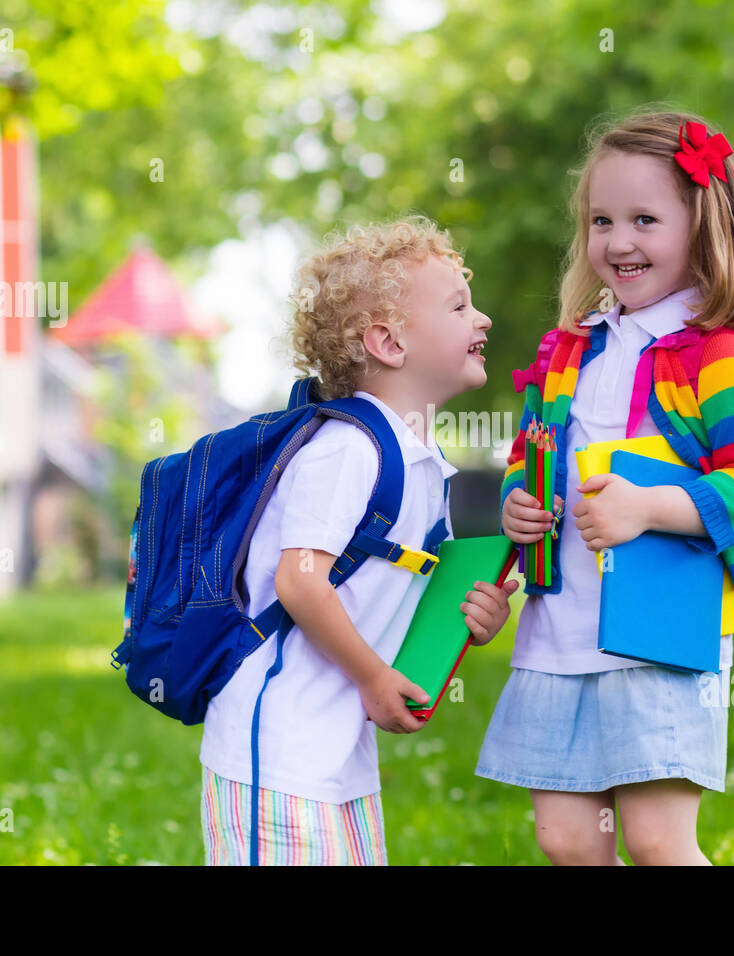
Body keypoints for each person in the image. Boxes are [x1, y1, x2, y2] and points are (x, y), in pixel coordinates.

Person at [479, 107, 734, 865]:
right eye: (601, 220)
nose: (618, 242)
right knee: (568, 843)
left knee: (655, 844)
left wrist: (649, 506)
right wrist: (521, 505)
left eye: (645, 219)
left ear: (703, 227)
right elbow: (534, 459)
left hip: (664, 633)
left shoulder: (720, 357)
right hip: (560, 635)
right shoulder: (567, 352)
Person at [200, 215, 518, 865]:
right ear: (388, 343)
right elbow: (299, 580)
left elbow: (411, 596)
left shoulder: (424, 463)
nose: (482, 319)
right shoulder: (347, 449)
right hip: (278, 761)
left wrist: (475, 617)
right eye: (459, 305)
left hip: (337, 759)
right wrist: (375, 678)